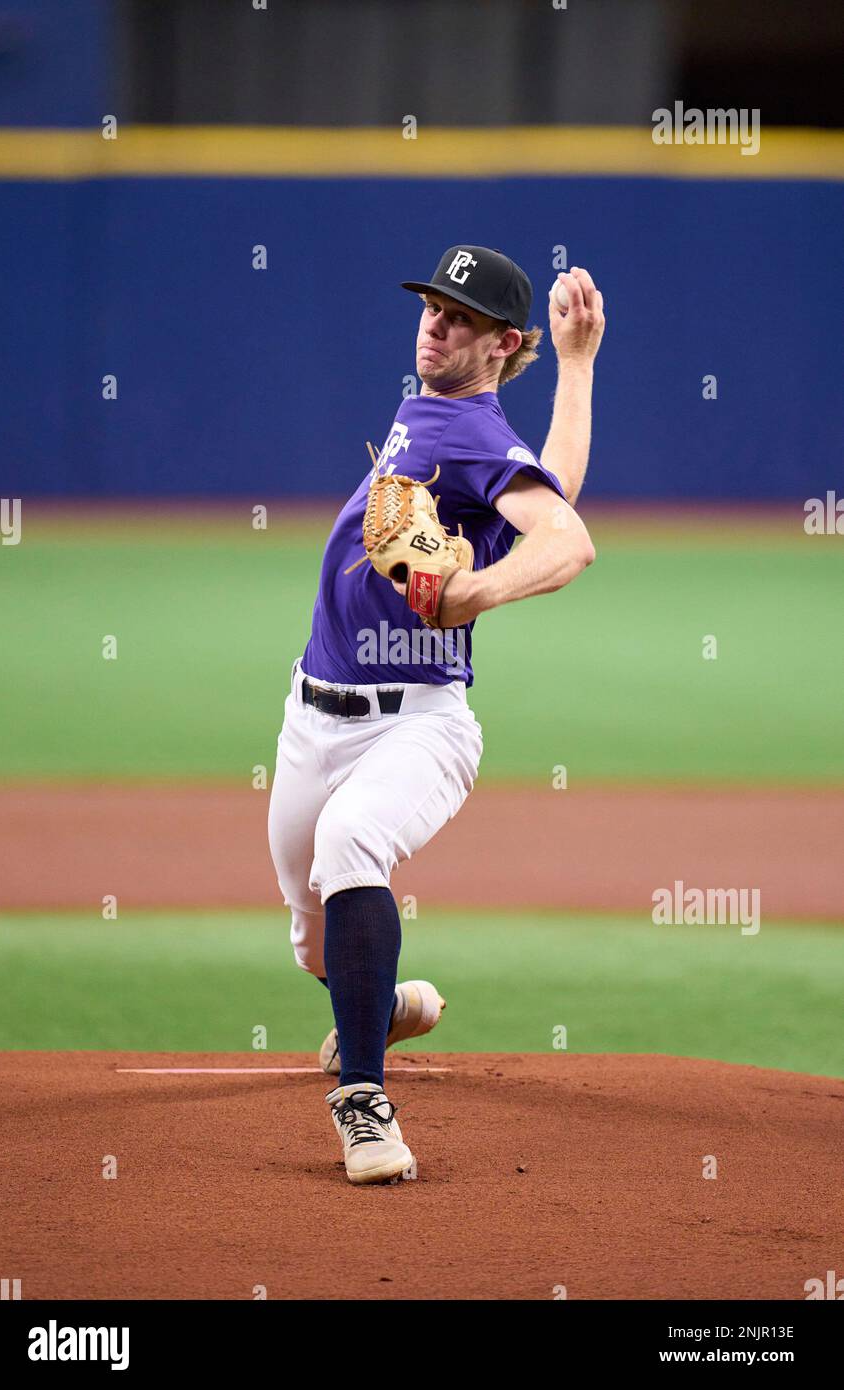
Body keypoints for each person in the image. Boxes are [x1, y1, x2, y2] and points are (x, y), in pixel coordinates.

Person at [267, 245, 605, 1184]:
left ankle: (363, 1100)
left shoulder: (465, 432)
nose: (434, 323)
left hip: (418, 720)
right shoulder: (439, 412)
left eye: (458, 317)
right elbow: (554, 488)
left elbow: (568, 539)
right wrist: (575, 370)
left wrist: (473, 595)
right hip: (313, 718)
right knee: (311, 939)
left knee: (351, 846)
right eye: (430, 306)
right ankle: (380, 1007)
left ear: (501, 345)